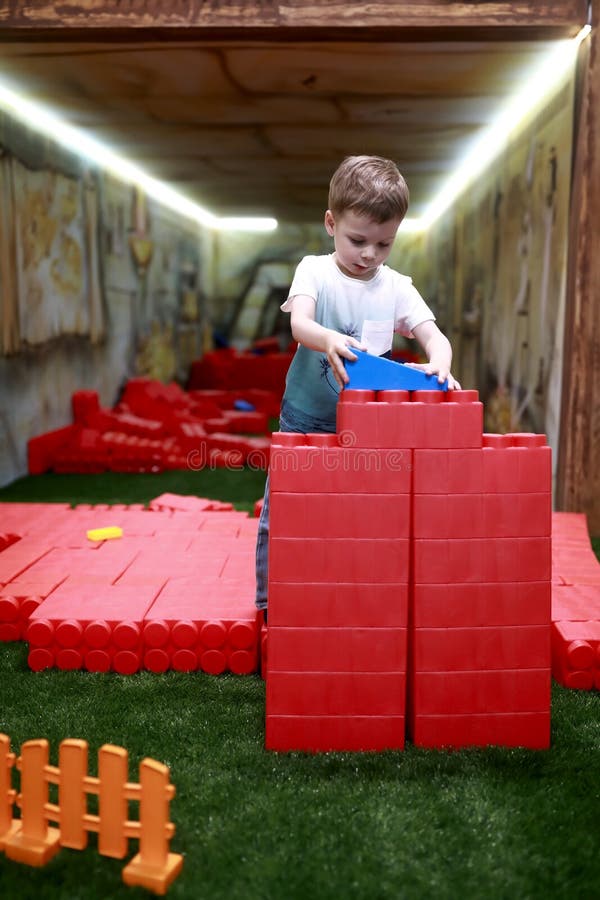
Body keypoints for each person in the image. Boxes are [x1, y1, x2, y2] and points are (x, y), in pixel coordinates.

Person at [255, 155, 460, 618]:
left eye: (384, 243)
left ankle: (356, 600)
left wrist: (439, 364)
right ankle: (271, 605)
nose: (370, 254)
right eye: (358, 240)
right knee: (281, 513)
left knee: (362, 518)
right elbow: (301, 325)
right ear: (332, 223)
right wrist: (328, 338)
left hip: (369, 426)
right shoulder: (315, 270)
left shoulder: (397, 287)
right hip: (304, 417)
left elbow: (434, 336)